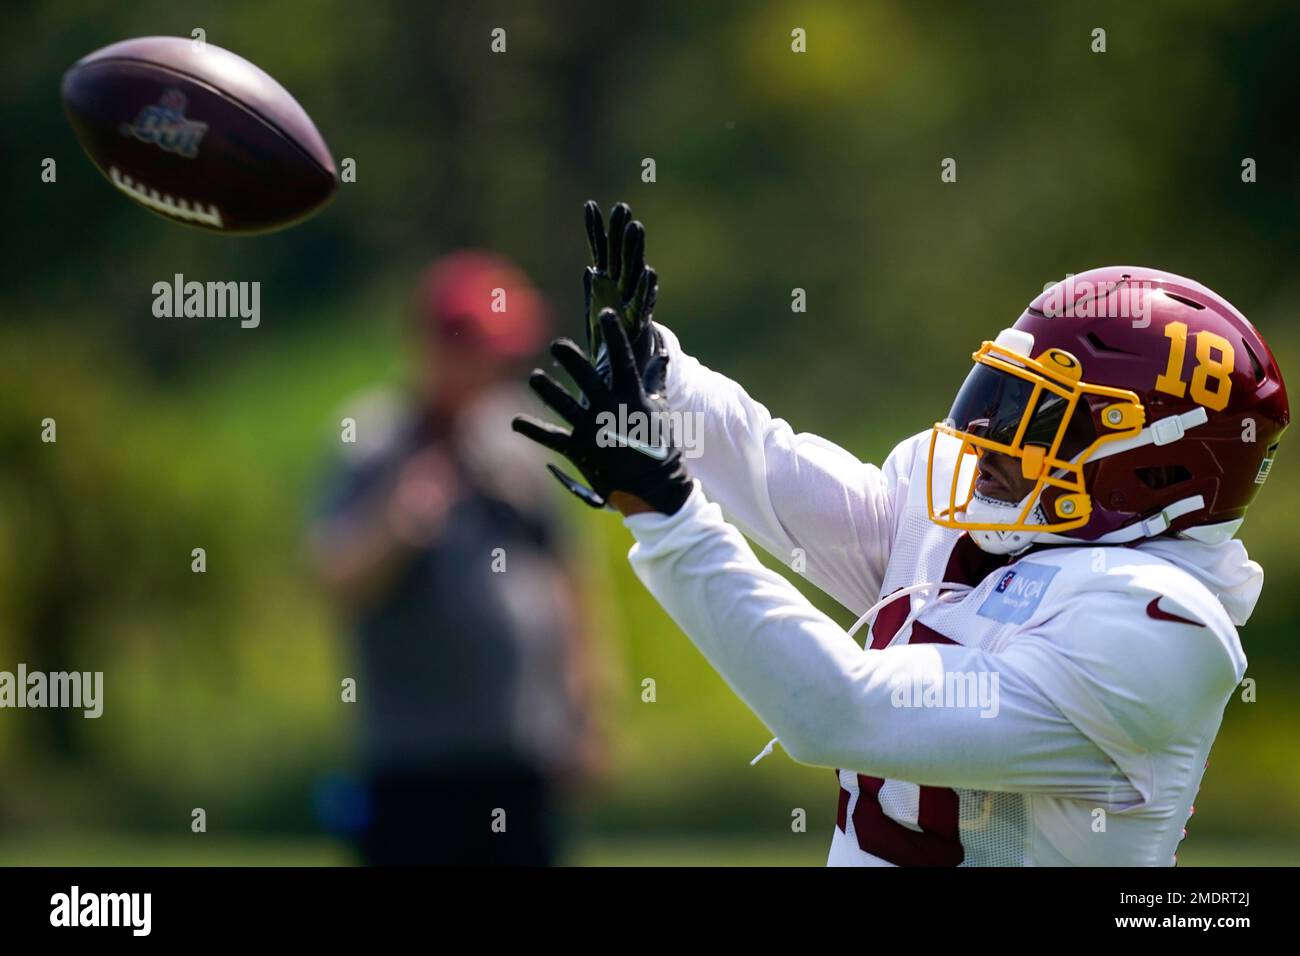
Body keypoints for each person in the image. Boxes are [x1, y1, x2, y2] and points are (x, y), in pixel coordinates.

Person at [512, 201, 1289, 866]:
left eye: (1039, 414)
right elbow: (777, 481)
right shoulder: (996, 511)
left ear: (1153, 465)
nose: (985, 432)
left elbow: (840, 711)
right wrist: (658, 374)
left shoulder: (1161, 628)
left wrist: (669, 517)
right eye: (1004, 391)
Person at [310, 250, 600, 866]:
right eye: (482, 348)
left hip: (521, 759)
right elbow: (334, 580)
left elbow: (572, 581)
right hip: (415, 766)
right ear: (435, 345)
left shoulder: (523, 437)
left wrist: (586, 711)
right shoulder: (372, 439)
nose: (499, 366)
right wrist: (396, 527)